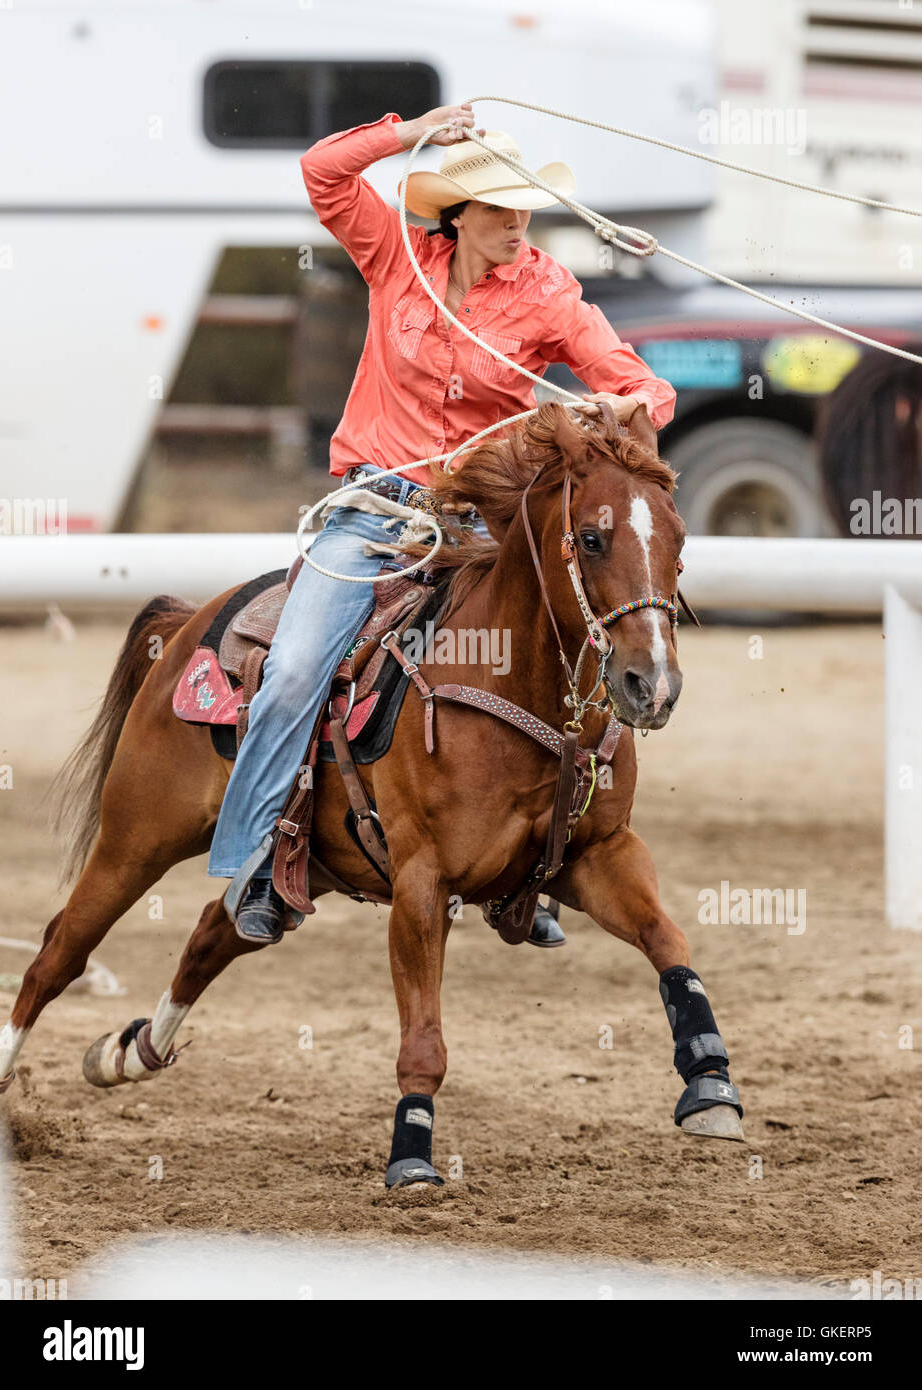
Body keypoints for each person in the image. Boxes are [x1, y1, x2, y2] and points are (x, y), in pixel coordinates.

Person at [208, 102, 676, 947]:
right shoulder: (395, 256)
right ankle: (253, 860)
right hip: (375, 507)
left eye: (523, 209)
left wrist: (625, 404)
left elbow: (644, 388)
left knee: (553, 650)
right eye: (497, 210)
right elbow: (322, 169)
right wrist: (411, 128)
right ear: (454, 216)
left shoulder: (546, 290)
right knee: (295, 668)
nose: (515, 224)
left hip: (479, 519)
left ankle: (526, 867)